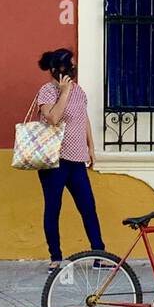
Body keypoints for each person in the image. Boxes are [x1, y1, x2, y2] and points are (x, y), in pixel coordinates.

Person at [34, 48, 106, 272]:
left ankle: (99, 253)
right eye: (70, 65)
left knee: (88, 206)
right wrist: (63, 92)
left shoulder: (79, 91)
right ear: (58, 69)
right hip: (53, 162)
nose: (73, 68)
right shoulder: (47, 91)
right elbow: (53, 118)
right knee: (53, 207)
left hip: (76, 160)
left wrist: (91, 148)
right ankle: (55, 257)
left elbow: (84, 119)